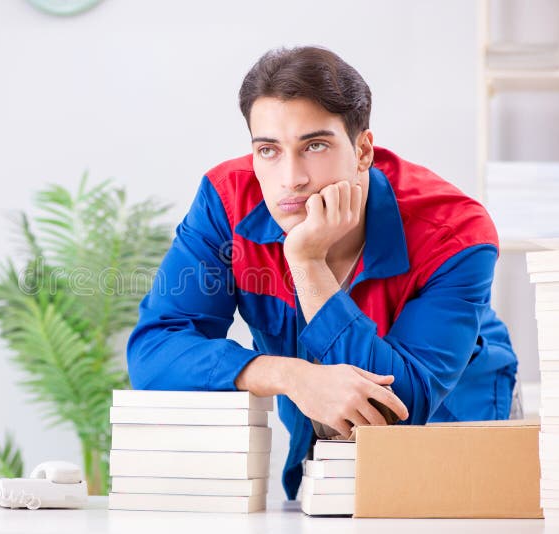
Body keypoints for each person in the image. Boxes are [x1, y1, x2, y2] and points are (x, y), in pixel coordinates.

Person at [126, 46, 518, 500]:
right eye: (268, 150)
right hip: (324, 427)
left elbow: (400, 410)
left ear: (363, 149)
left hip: (458, 411)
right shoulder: (226, 201)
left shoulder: (456, 231)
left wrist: (308, 263)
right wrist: (292, 376)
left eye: (314, 146)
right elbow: (154, 352)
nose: (291, 178)